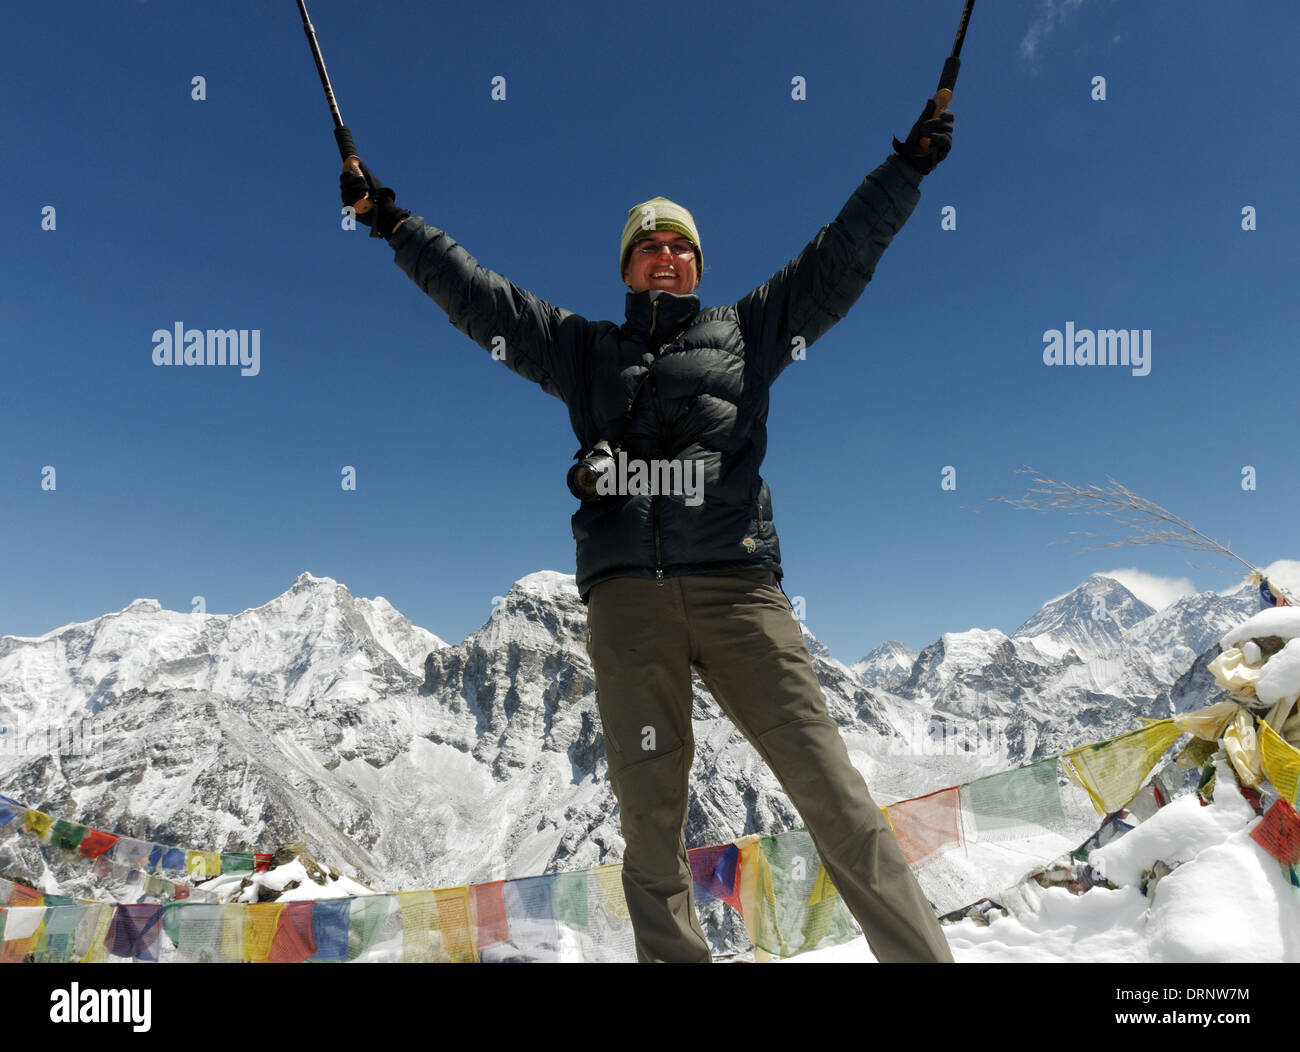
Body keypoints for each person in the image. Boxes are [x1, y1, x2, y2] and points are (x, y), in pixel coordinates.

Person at [342, 100, 956, 963]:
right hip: (628, 606)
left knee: (833, 795)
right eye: (648, 246)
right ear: (628, 267)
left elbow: (838, 259)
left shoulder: (750, 331)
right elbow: (479, 298)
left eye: (679, 247)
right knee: (650, 825)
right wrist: (391, 222)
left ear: (696, 265)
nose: (665, 257)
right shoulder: (581, 350)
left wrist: (908, 168)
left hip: (741, 592)